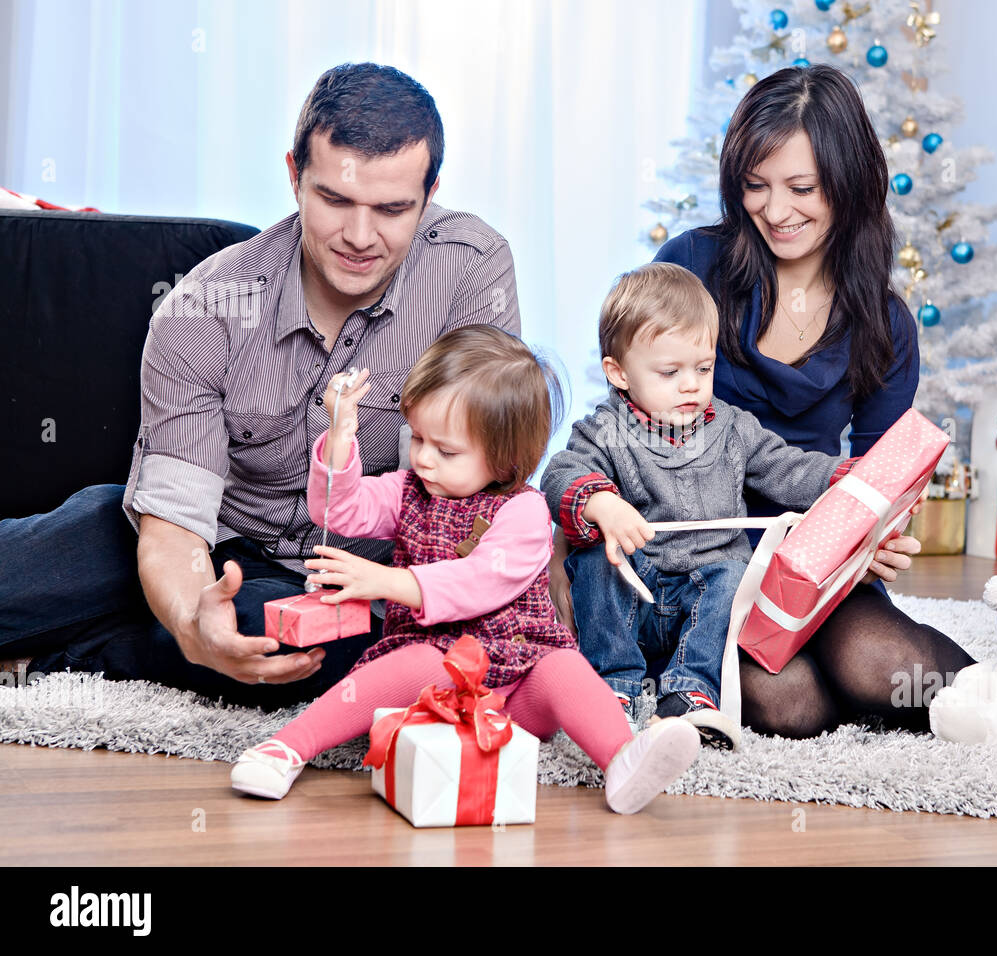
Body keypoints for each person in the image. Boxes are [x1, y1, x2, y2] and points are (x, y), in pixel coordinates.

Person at [550, 64, 997, 738]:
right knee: (784, 705)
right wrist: (580, 526)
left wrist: (878, 535)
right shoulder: (695, 266)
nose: (776, 211)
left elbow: (878, 475)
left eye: (801, 188)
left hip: (811, 555)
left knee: (879, 663)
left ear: (850, 182)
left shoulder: (884, 325)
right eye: (755, 186)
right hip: (702, 566)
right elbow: (629, 415)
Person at [0, 63, 523, 709]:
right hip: (208, 542)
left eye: (392, 209)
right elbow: (173, 522)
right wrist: (192, 611)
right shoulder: (202, 307)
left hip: (365, 577)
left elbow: (485, 475)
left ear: (430, 191)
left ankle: (79, 655)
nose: (360, 238)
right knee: (79, 548)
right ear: (294, 175)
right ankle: (167, 624)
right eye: (335, 200)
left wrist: (208, 628)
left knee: (337, 651)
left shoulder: (473, 270)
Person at [231, 326, 701, 813]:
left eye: (446, 450)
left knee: (564, 667)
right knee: (419, 662)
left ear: (506, 460)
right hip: (433, 683)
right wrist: (340, 440)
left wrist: (390, 582)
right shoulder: (407, 489)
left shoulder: (524, 511)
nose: (424, 459)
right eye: (417, 438)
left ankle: (621, 758)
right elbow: (339, 512)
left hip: (517, 691)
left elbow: (481, 581)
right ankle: (286, 747)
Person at [541, 262, 865, 749]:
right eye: (670, 372)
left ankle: (689, 692)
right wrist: (601, 504)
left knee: (737, 573)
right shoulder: (604, 430)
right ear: (619, 373)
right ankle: (615, 686)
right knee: (594, 560)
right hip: (636, 589)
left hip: (705, 602)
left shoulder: (733, 428)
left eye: (704, 368)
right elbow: (559, 475)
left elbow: (787, 467)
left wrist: (842, 478)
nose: (691, 384)